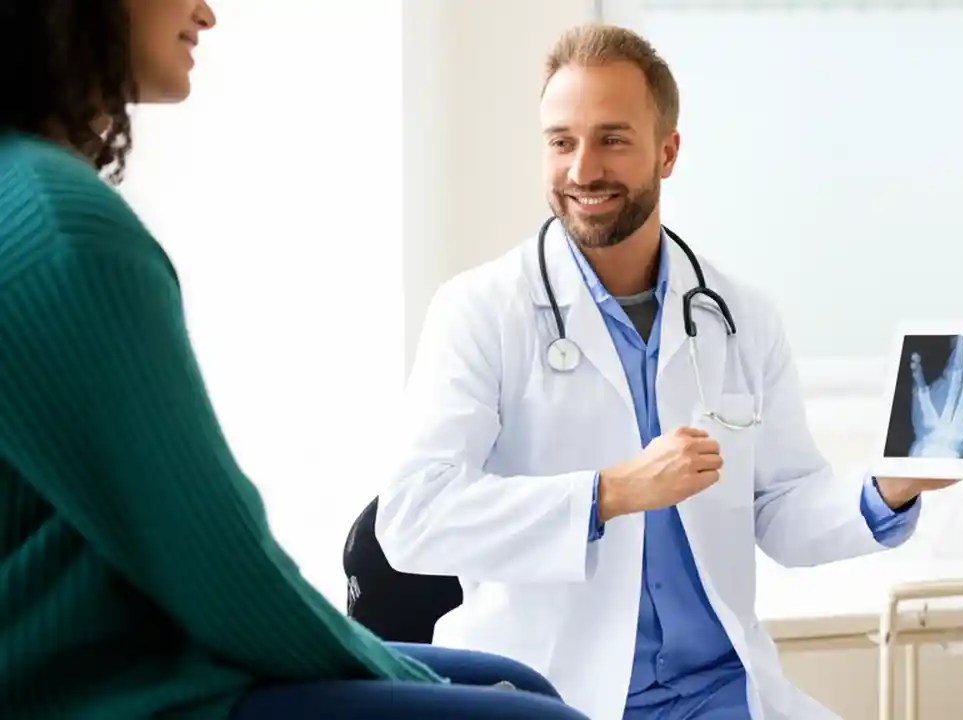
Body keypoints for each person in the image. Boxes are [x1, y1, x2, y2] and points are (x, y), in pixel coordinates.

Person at [375, 22, 963, 720]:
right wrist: (610, 492)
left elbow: (783, 511)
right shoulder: (480, 311)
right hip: (554, 692)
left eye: (612, 138)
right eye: (561, 141)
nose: (581, 169)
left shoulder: (740, 317)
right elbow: (414, 517)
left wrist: (892, 485)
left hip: (719, 693)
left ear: (668, 152)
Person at [0, 2, 589, 718]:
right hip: (101, 686)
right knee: (532, 713)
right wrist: (417, 684)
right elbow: (222, 572)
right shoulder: (64, 229)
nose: (205, 11)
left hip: (102, 651)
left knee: (512, 681)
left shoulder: (20, 191)